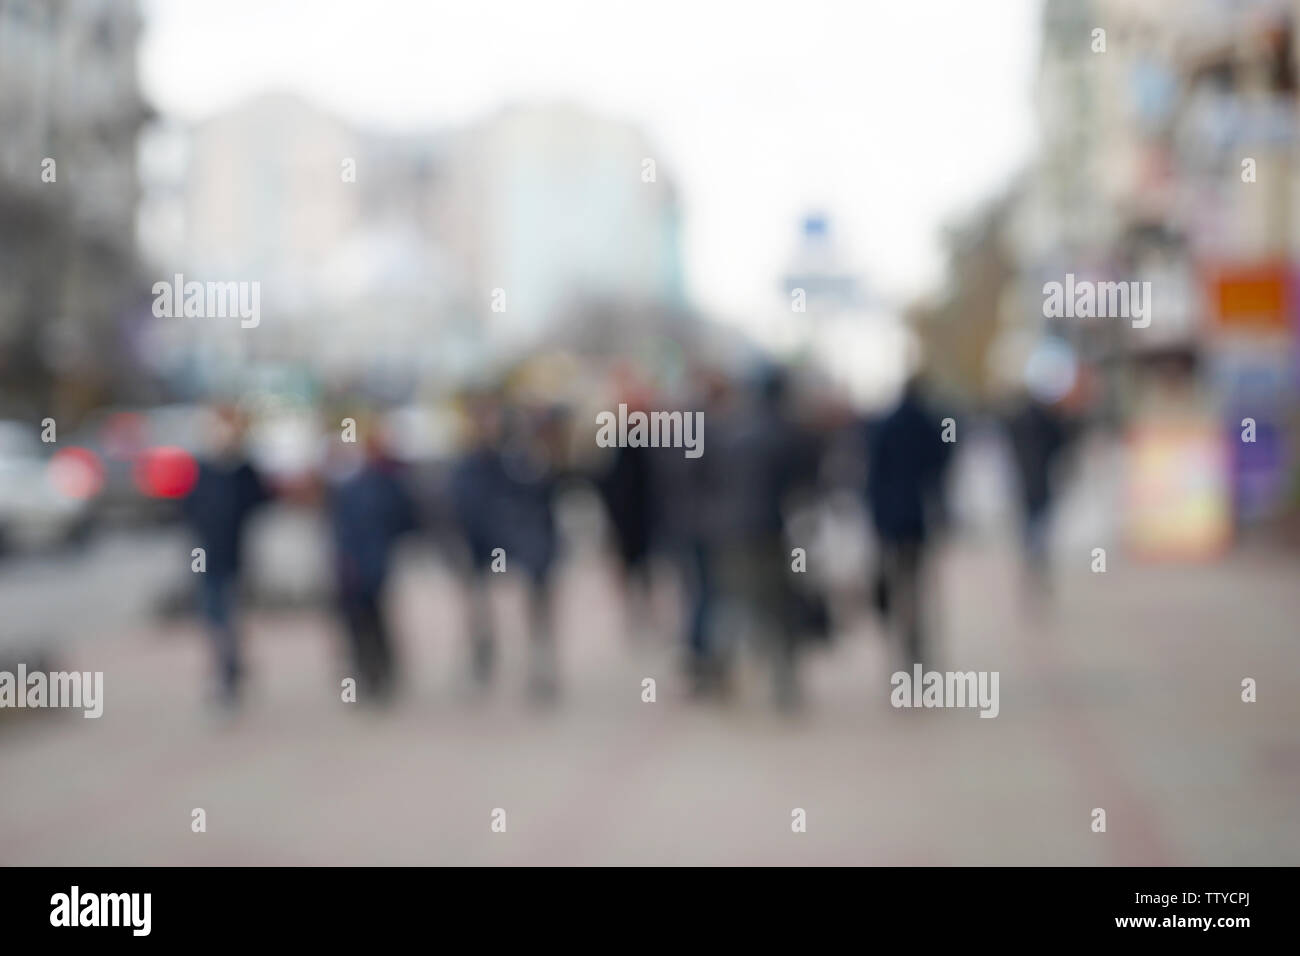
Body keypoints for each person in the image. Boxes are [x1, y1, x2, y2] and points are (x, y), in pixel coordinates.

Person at [181, 404, 271, 709]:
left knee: (229, 617)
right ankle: (224, 671)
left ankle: (230, 672)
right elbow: (187, 509)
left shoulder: (241, 470)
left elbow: (258, 501)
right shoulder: (201, 468)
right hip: (205, 556)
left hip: (233, 556)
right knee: (212, 617)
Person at [324, 424, 417, 704]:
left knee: (374, 622)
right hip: (355, 567)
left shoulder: (384, 484)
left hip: (372, 565)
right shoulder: (351, 485)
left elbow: (404, 520)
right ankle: (368, 675)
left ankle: (379, 674)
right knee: (359, 624)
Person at [865, 375, 951, 671]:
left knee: (897, 584)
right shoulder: (929, 423)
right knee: (915, 586)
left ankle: (902, 647)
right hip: (917, 518)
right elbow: (941, 463)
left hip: (889, 519)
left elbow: (873, 474)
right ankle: (915, 649)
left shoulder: (886, 424)